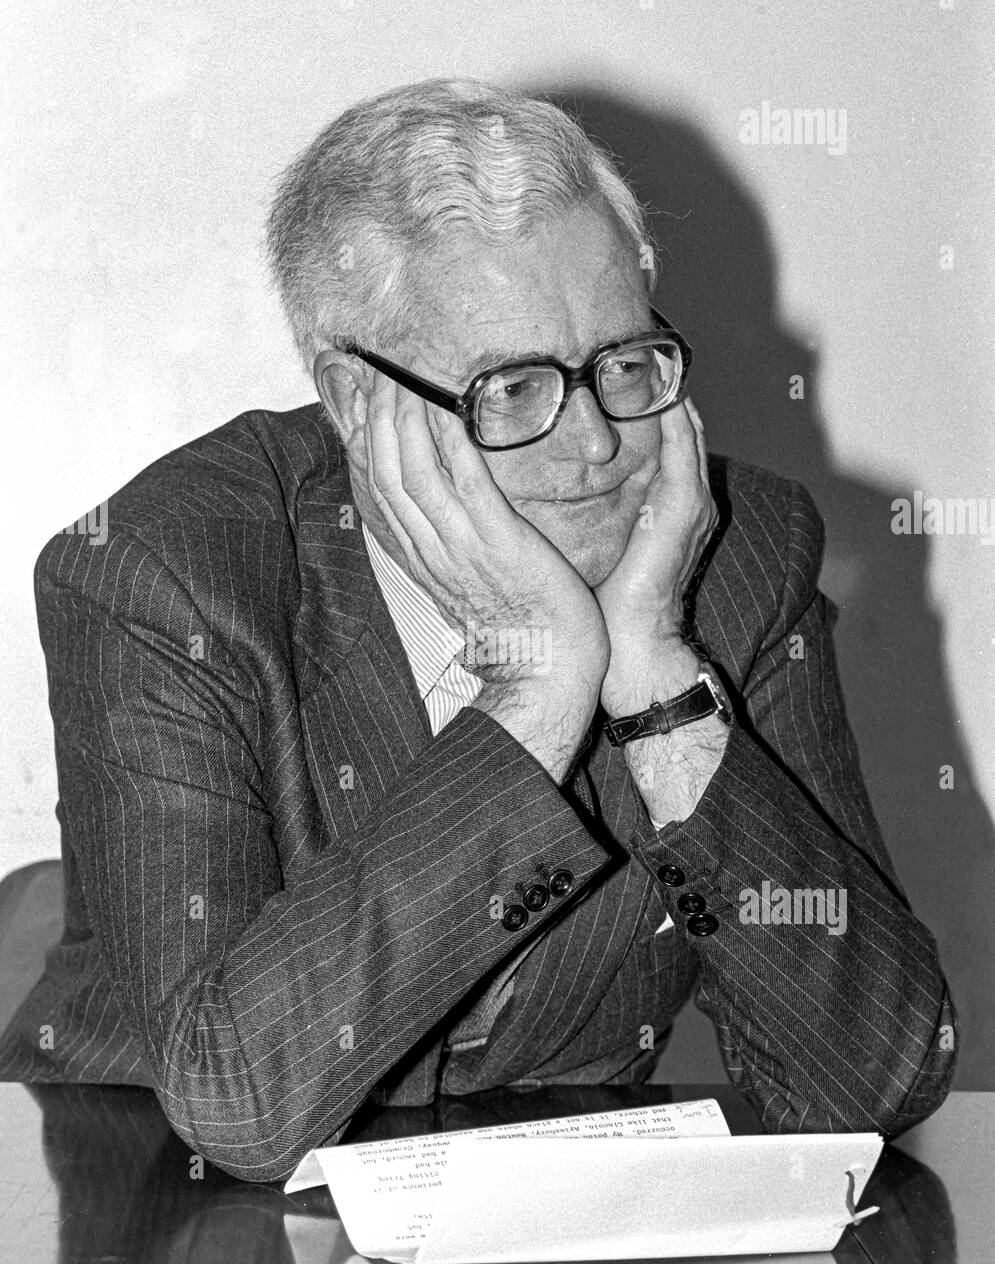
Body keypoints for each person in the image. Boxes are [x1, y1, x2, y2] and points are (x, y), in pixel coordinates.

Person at [0, 78, 955, 1182]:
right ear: (356, 401)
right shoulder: (164, 578)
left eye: (624, 362)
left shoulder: (730, 558)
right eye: (512, 388)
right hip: (157, 1196)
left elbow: (879, 1075)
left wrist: (654, 687)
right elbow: (235, 1106)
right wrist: (537, 693)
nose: (596, 444)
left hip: (522, 1230)